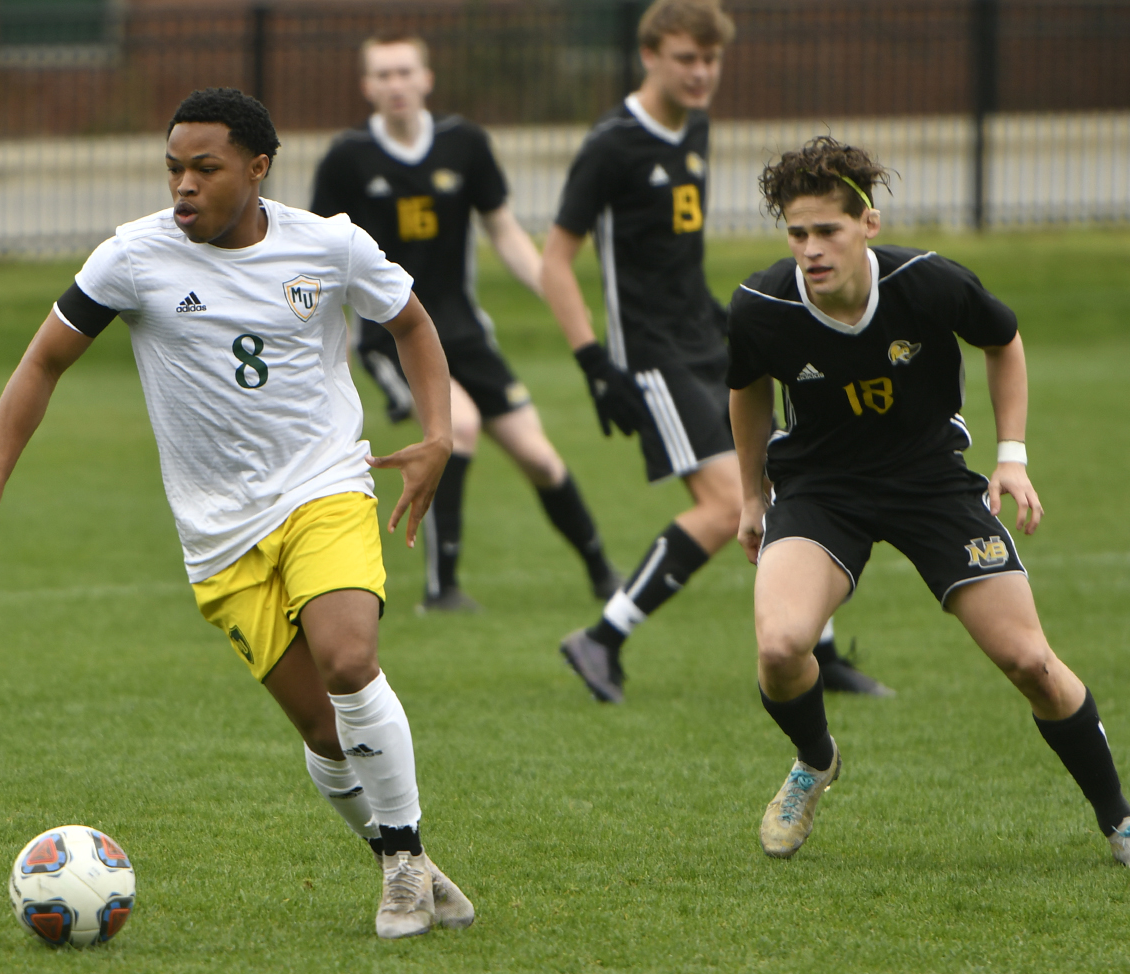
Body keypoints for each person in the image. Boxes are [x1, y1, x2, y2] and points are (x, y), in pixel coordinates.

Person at [0, 88, 477, 938]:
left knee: (349, 659)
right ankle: (410, 861)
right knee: (324, 733)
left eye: (204, 169)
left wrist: (437, 434)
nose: (184, 186)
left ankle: (400, 866)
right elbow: (41, 364)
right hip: (219, 536)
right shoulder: (133, 258)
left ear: (257, 168)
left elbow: (414, 323)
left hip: (324, 487)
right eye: (173, 168)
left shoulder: (328, 245)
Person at [727, 137, 1130, 863]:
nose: (811, 250)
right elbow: (747, 388)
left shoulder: (928, 282)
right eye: (797, 233)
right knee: (781, 646)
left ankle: (1120, 820)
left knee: (1030, 662)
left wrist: (1012, 458)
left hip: (930, 482)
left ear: (867, 225)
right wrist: (751, 496)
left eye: (828, 231)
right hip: (824, 491)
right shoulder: (761, 305)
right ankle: (815, 761)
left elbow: (1004, 340)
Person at [539, 0, 888, 703]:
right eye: (686, 59)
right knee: (727, 498)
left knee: (784, 475)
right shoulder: (612, 145)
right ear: (650, 56)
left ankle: (819, 651)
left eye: (711, 59)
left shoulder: (694, 127)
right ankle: (601, 639)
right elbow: (555, 262)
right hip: (651, 355)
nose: (701, 73)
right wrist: (592, 362)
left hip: (705, 337)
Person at [310, 34, 618, 612]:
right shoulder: (347, 159)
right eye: (383, 75)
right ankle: (441, 588)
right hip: (391, 337)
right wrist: (336, 348)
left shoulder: (465, 144)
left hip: (465, 332)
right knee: (463, 425)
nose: (395, 84)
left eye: (405, 72)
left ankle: (604, 574)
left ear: (426, 79)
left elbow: (504, 231)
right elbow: (321, 262)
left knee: (539, 455)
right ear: (366, 87)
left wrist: (557, 291)